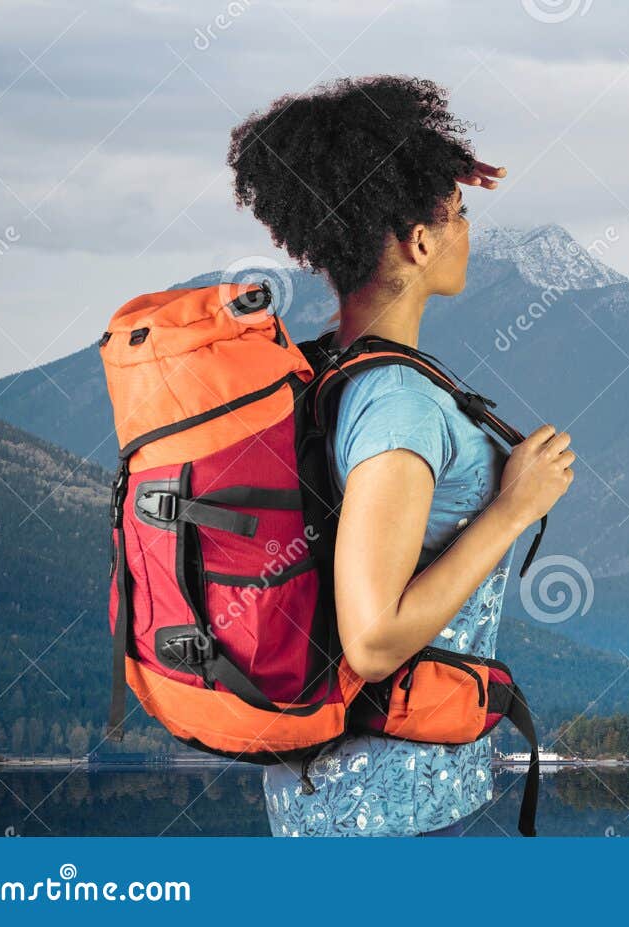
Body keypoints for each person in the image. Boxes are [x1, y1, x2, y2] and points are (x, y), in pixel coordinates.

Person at [227, 75, 574, 836]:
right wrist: (516, 506)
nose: (468, 231)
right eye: (460, 216)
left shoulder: (325, 376)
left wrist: (418, 161)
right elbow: (373, 637)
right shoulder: (398, 404)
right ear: (420, 241)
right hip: (402, 821)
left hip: (329, 811)